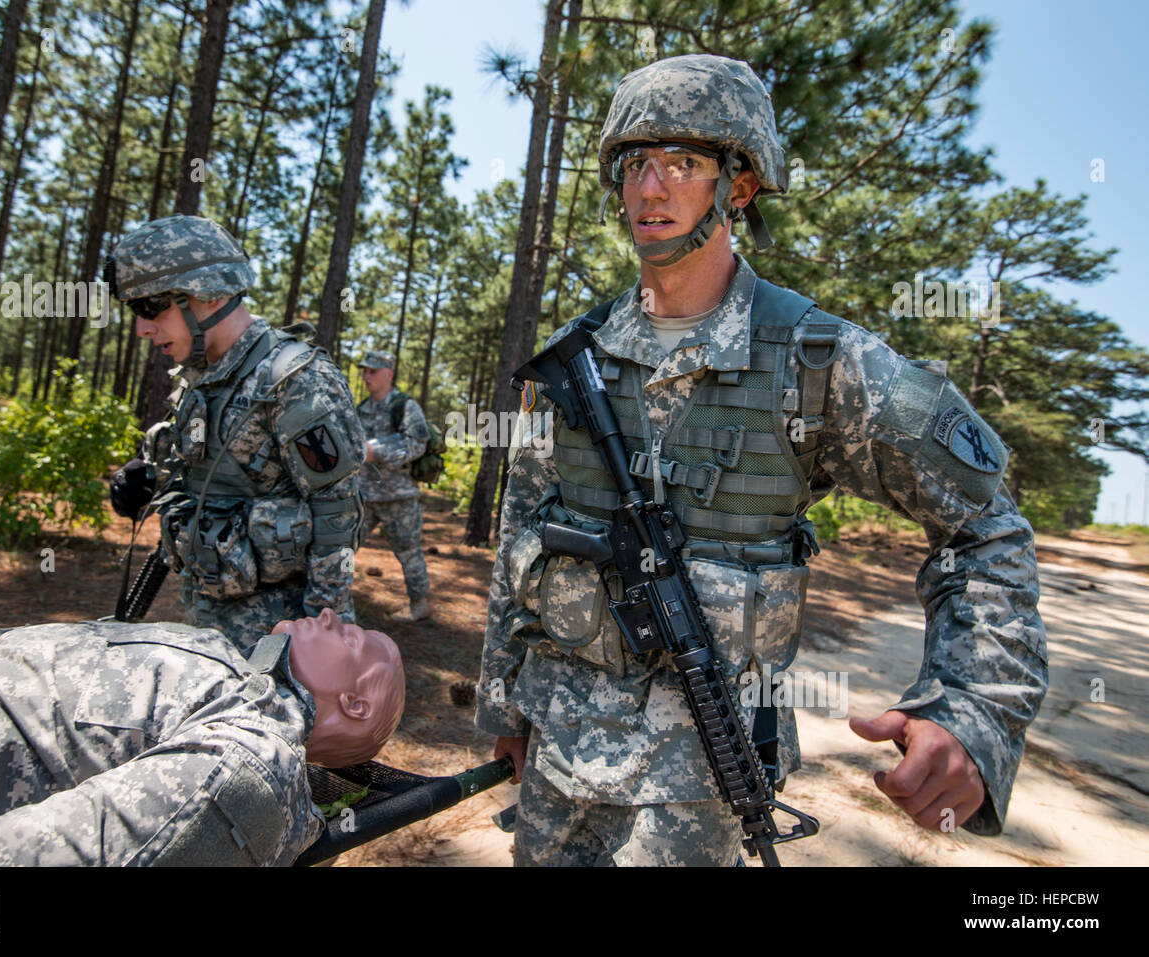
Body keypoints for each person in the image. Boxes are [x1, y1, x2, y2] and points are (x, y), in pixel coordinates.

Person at [474, 54, 1048, 866]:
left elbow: (984, 524)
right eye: (635, 163)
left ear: (738, 187)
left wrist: (972, 707)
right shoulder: (578, 362)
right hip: (559, 765)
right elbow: (521, 535)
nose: (650, 188)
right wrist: (505, 708)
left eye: (683, 163)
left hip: (705, 783)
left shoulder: (819, 361)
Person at [0, 608, 404, 866]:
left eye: (351, 637)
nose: (331, 614)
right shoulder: (241, 687)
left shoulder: (250, 758)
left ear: (354, 704)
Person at [106, 214, 366, 649]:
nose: (142, 328)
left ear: (210, 293)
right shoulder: (199, 378)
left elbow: (336, 514)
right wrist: (152, 481)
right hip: (209, 616)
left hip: (277, 638)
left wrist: (324, 635)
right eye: (136, 311)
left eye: (152, 307)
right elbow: (215, 476)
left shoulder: (293, 379)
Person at [356, 350, 432, 622]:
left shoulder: (405, 407)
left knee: (408, 550)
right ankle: (333, 599)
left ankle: (419, 604)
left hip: (398, 495)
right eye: (365, 371)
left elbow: (417, 444)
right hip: (364, 495)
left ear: (389, 374)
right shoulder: (361, 409)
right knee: (343, 547)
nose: (367, 376)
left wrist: (378, 453)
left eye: (373, 371)